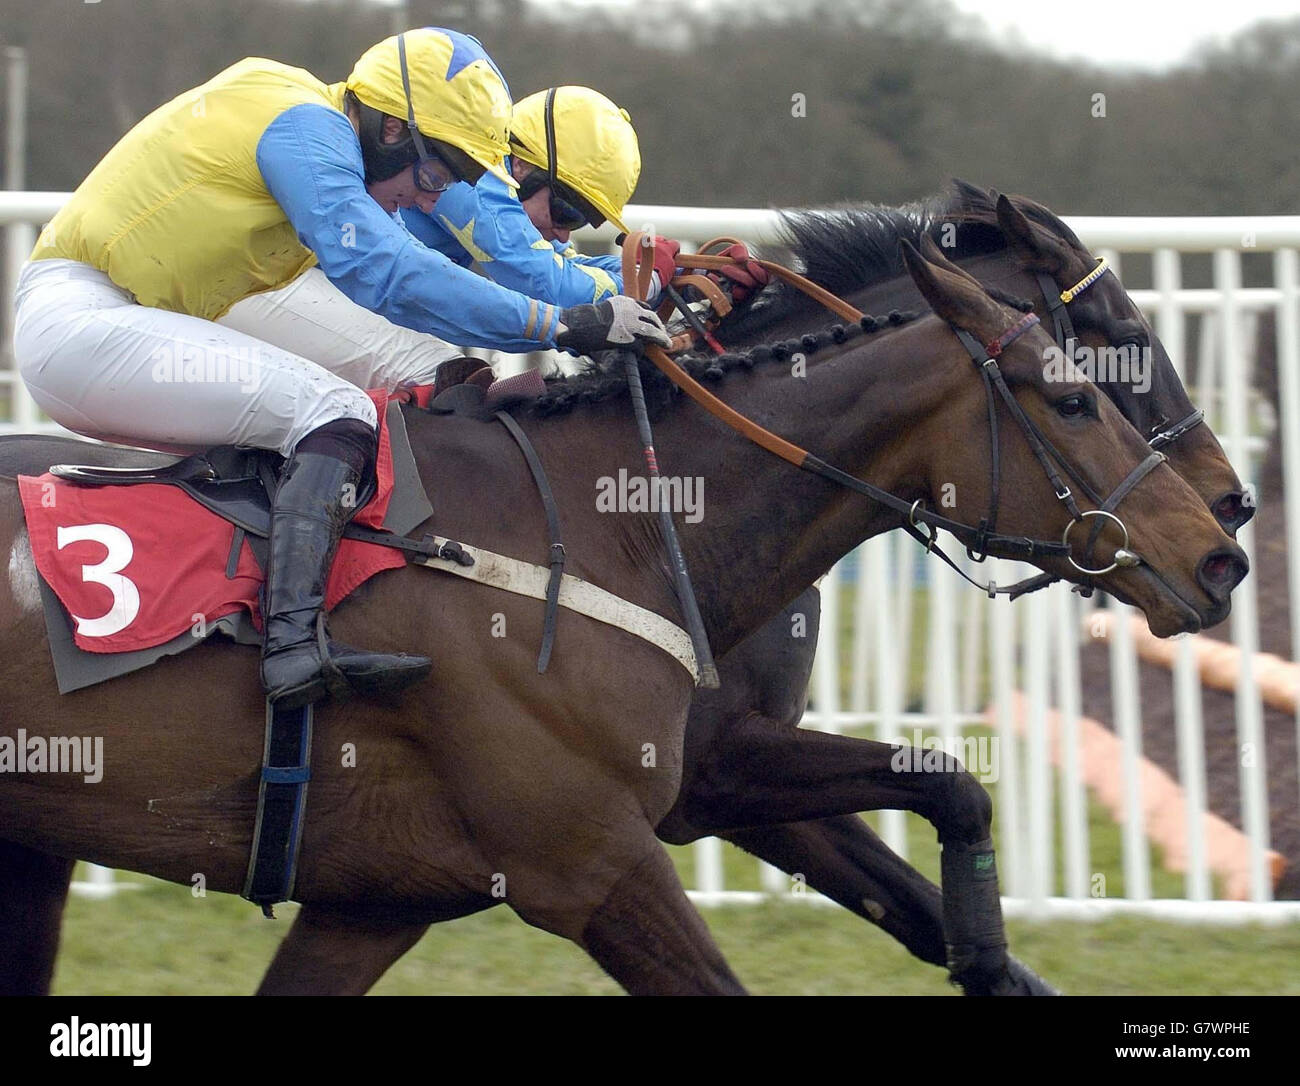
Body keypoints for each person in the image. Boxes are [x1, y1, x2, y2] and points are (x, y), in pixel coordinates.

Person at [12, 28, 671, 710]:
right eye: (433, 177)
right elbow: (382, 270)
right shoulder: (304, 128)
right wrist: (557, 326)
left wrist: (603, 300)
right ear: (391, 128)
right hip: (82, 324)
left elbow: (426, 279)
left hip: (128, 313)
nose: (430, 200)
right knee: (338, 410)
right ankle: (293, 649)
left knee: (421, 372)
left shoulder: (322, 131)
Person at [401, 85, 770, 311]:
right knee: (434, 370)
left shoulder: (505, 182)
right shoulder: (471, 176)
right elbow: (549, 288)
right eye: (567, 211)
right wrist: (649, 281)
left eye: (579, 221)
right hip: (345, 293)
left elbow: (570, 270)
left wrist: (688, 276)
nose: (564, 234)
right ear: (524, 167)